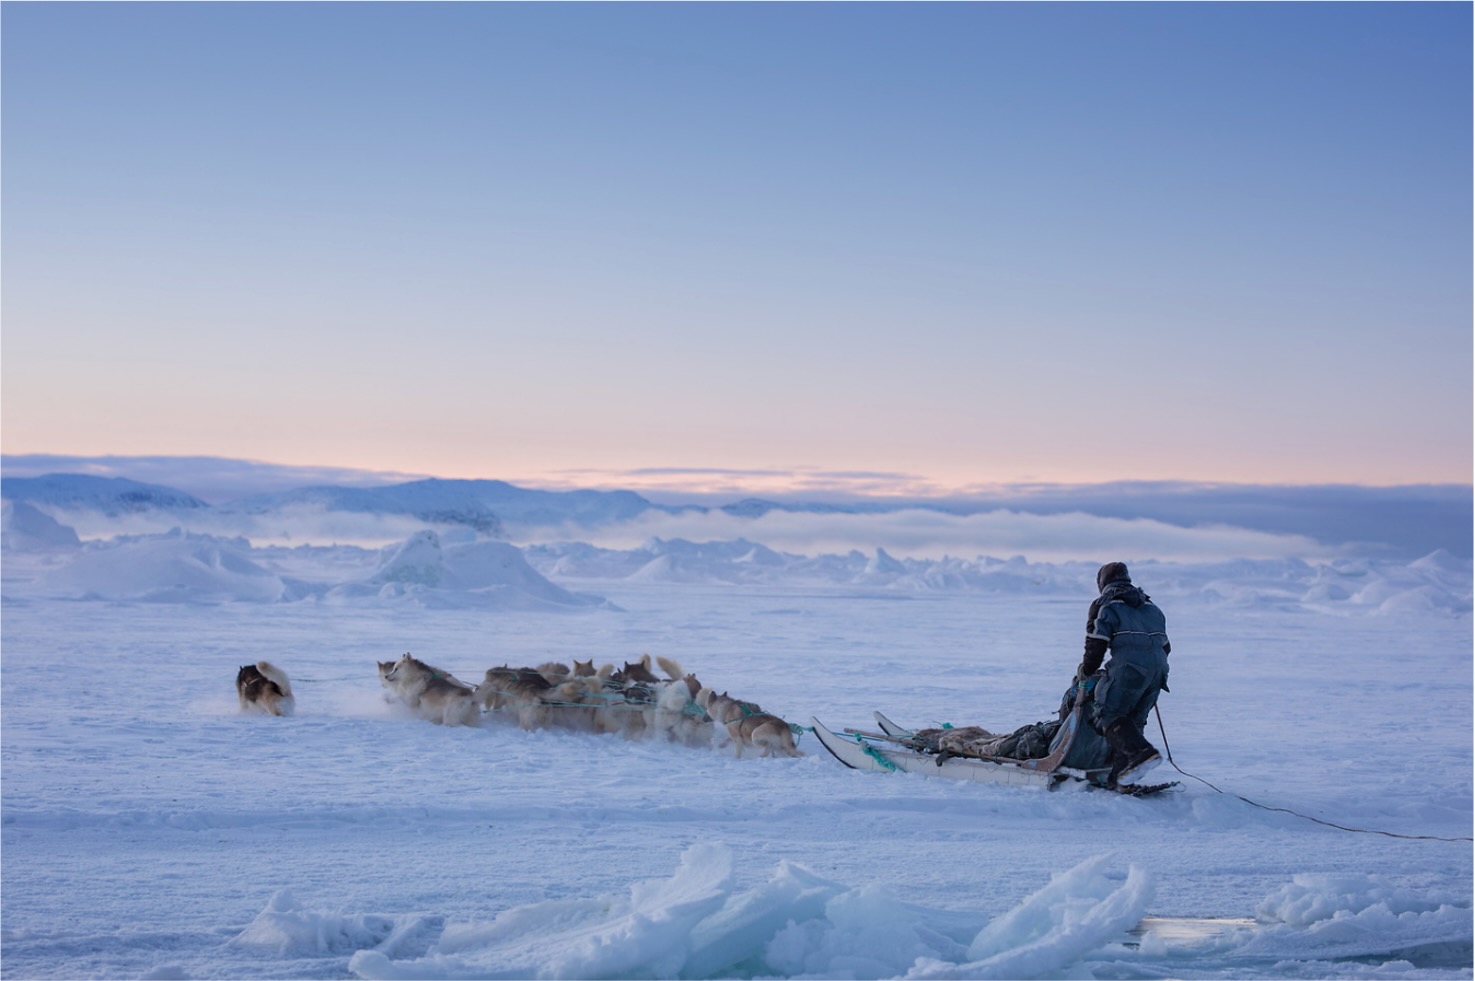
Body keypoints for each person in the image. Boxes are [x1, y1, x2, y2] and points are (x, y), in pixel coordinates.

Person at [1074, 561, 1170, 787]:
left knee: (1108, 713)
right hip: (1159, 668)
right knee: (1134, 721)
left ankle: (1141, 753)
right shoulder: (1151, 607)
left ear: (1102, 583)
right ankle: (1121, 778)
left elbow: (1096, 643)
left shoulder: (1105, 604)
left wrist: (1086, 671)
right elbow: (1165, 646)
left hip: (1129, 666)